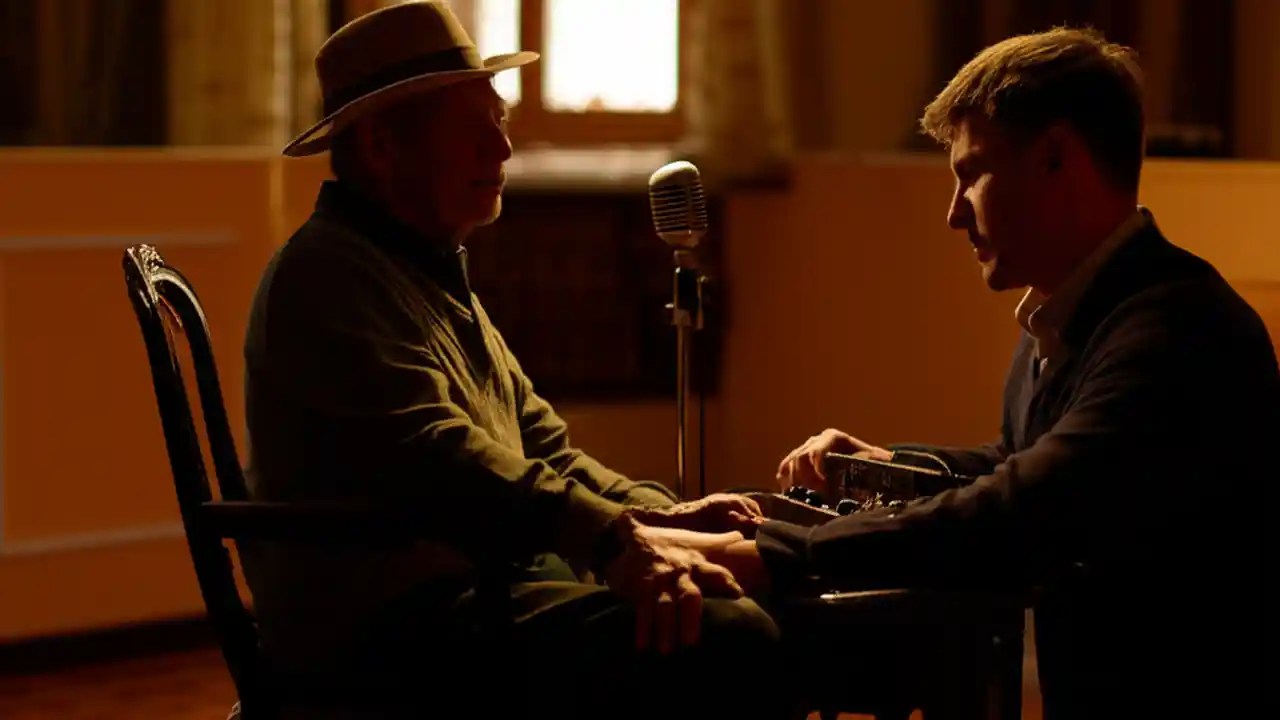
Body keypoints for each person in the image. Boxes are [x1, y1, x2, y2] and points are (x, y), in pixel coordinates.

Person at [702, 27, 1278, 719]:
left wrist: (787, 551)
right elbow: (1021, 463)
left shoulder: (1176, 330)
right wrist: (886, 465)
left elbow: (1028, 506)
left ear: (1056, 159)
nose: (953, 213)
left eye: (971, 173)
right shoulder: (1078, 312)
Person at [237, 3, 794, 718]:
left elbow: (541, 446)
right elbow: (444, 457)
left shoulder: (420, 267)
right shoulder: (326, 279)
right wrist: (615, 538)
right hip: (398, 640)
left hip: (475, 593)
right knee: (729, 636)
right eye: (476, 131)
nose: (503, 151)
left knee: (745, 575)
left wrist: (662, 516)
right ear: (380, 146)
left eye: (499, 122)